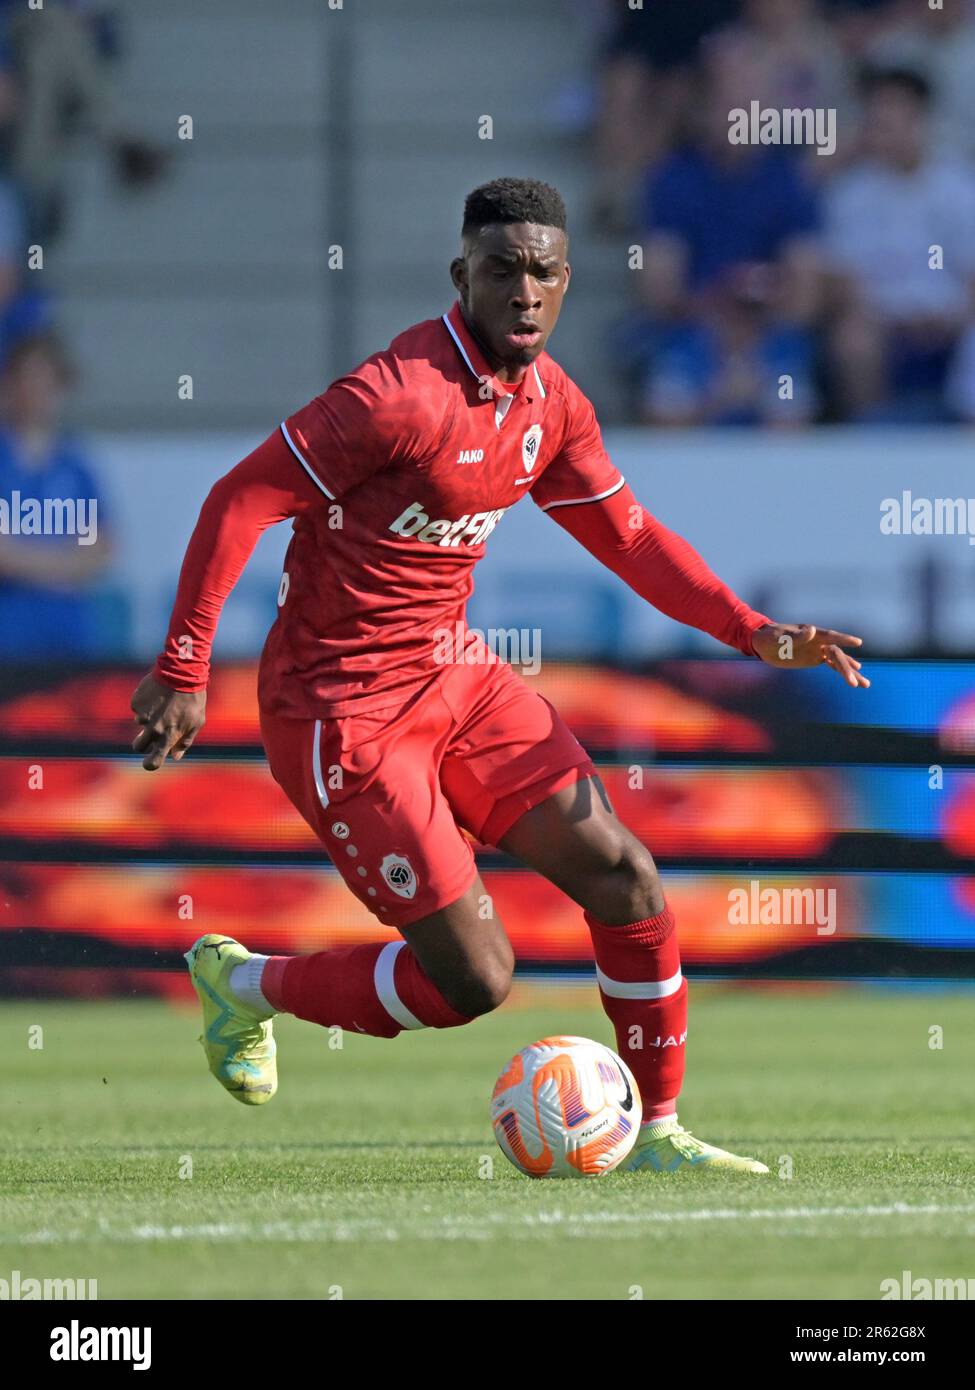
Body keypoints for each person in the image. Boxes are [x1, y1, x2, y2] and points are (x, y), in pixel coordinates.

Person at [130, 179, 867, 1176]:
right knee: (476, 980)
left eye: (546, 273)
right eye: (503, 270)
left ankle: (657, 1132)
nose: (525, 291)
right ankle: (245, 985)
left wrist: (756, 633)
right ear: (462, 276)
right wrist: (183, 665)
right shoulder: (394, 395)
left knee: (623, 873)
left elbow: (634, 539)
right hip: (339, 710)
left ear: (568, 283)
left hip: (458, 679)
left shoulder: (551, 405)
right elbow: (239, 498)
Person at [823, 67, 975, 421]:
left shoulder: (958, 189)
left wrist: (949, 318)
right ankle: (871, 440)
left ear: (920, 121)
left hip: (951, 318)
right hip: (882, 321)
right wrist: (891, 317)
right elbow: (845, 283)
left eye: (894, 121)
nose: (884, 133)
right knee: (853, 339)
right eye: (877, 123)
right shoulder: (850, 194)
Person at [0, 332, 113, 655]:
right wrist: (64, 564)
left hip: (68, 634)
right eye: (27, 379)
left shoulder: (75, 465)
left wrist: (22, 559)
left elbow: (99, 550)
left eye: (46, 381)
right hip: (7, 634)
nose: (36, 392)